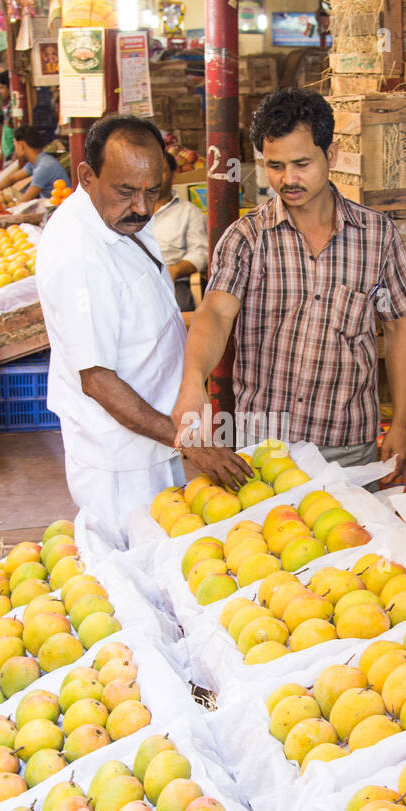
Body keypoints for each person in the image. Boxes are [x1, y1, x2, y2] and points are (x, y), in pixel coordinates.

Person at [170, 88, 406, 481]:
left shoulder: (377, 236)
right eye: (275, 166)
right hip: (266, 447)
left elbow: (399, 326)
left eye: (301, 163)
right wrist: (192, 381)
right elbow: (216, 312)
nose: (288, 179)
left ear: (331, 155)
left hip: (348, 444)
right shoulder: (246, 238)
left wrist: (402, 424)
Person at [35, 114, 245, 546]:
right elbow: (96, 380)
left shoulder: (122, 220)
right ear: (87, 176)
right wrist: (188, 441)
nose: (143, 207)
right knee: (133, 566)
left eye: (152, 191)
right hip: (120, 460)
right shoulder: (79, 256)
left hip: (156, 437)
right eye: (126, 191)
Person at [151, 152, 208, 312]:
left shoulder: (189, 213)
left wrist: (174, 271)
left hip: (175, 283)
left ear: (173, 175)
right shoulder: (131, 212)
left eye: (160, 172)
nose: (153, 179)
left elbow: (200, 253)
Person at [0, 125, 63, 200]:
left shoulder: (43, 167)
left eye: (15, 146)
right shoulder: (38, 161)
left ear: (21, 145)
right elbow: (12, 179)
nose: (15, 152)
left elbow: (25, 200)